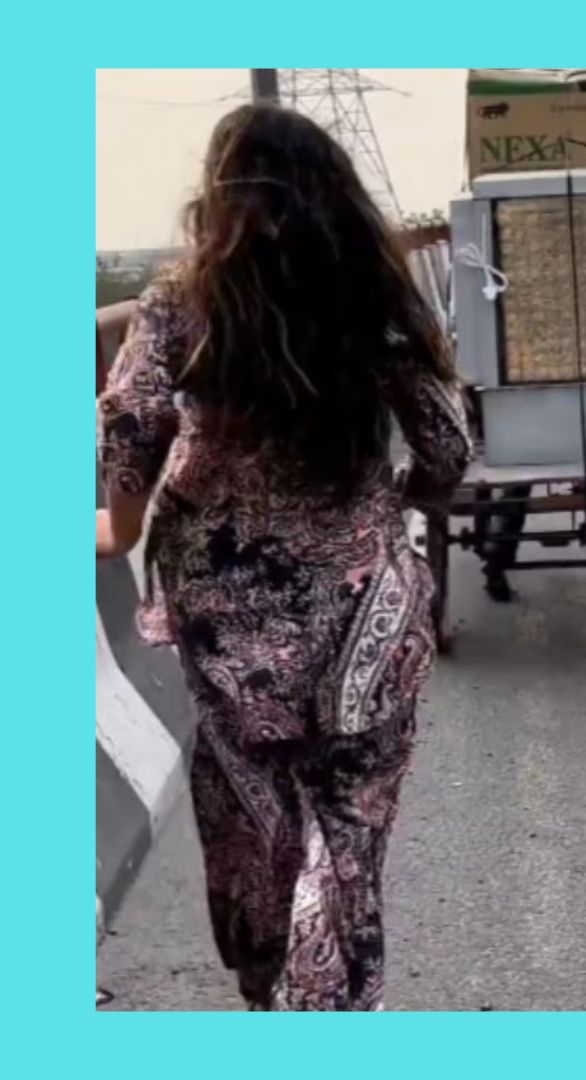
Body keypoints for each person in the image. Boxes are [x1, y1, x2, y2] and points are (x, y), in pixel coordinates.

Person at [95, 105, 472, 1011]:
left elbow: (129, 427)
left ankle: (277, 996)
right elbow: (448, 446)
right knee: (347, 835)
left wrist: (120, 529)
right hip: (363, 619)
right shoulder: (375, 296)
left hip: (226, 625)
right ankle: (331, 1001)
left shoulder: (181, 300)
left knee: (255, 825)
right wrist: (399, 499)